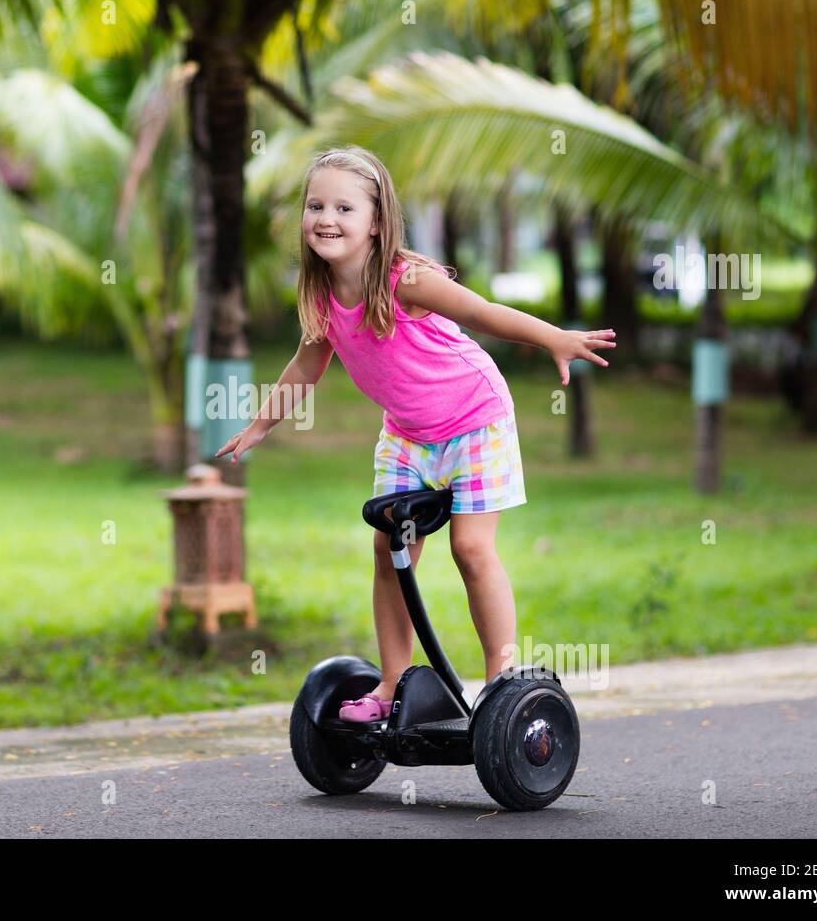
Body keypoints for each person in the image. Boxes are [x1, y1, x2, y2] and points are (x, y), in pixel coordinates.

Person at [215, 146, 616, 722]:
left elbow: (480, 312)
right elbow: (306, 367)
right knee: (390, 550)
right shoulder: (323, 295)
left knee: (472, 549)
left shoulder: (408, 280)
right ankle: (392, 685)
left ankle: (502, 687)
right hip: (407, 435)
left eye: (344, 208)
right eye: (315, 205)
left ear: (376, 224)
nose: (326, 218)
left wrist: (553, 337)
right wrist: (259, 423)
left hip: (475, 419)